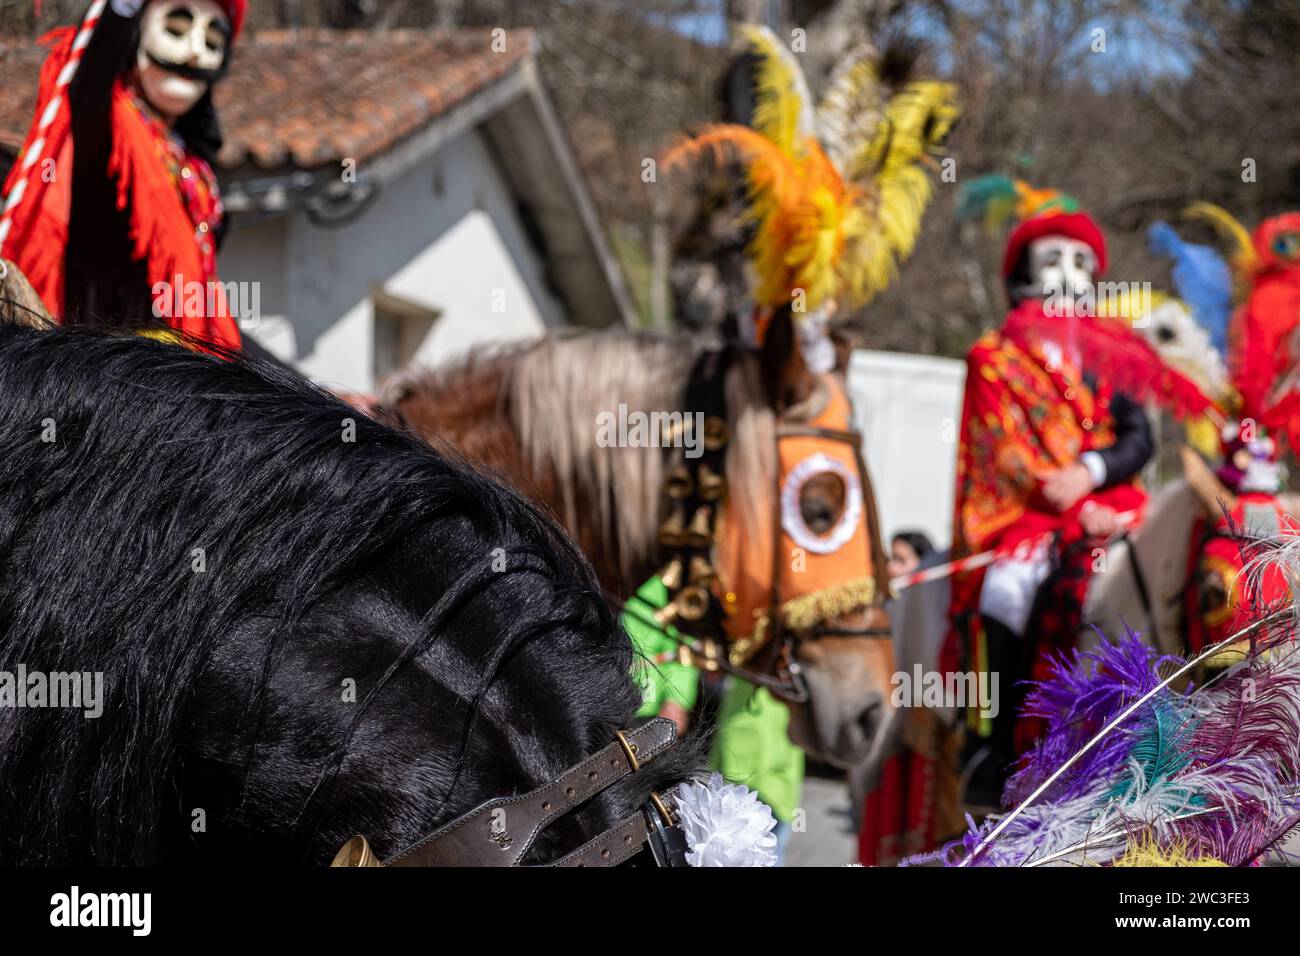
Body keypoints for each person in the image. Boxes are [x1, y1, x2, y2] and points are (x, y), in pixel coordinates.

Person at [945, 180, 1154, 804]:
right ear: (1025, 275)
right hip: (1028, 514)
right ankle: (992, 743)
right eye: (1052, 260)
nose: (1067, 275)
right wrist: (1061, 491)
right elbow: (999, 449)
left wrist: (1091, 473)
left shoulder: (1115, 351)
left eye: (1079, 262)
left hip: (1108, 502)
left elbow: (1139, 437)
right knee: (1006, 589)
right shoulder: (994, 356)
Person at [0, 0, 247, 351]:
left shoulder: (195, 170)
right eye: (176, 30)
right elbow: (89, 82)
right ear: (137, 37)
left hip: (185, 361)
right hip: (103, 366)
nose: (195, 53)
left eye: (212, 42)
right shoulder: (108, 131)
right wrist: (121, 10)